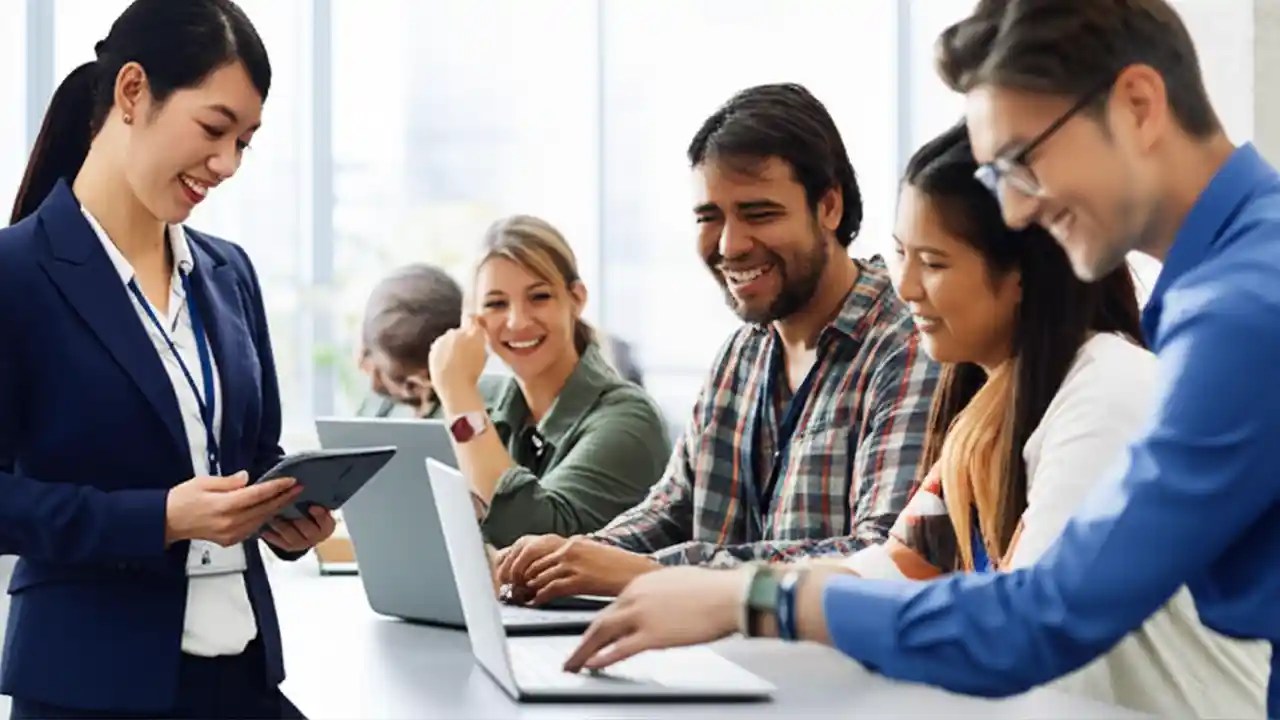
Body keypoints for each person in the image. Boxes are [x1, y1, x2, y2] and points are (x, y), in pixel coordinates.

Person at [561, 1, 1280, 715]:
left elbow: (1041, 620)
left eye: (1023, 163)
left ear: (1137, 105)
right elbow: (900, 567)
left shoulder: (1236, 314)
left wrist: (754, 597)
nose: (1020, 214)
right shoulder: (1216, 294)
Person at [0, 1, 336, 717]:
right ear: (132, 92)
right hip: (90, 690)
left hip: (244, 678)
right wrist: (160, 518)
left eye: (245, 142)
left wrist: (285, 516)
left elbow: (255, 454)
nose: (227, 164)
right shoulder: (15, 276)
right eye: (215, 129)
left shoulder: (228, 272)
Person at [494, 83, 940, 604]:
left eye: (759, 214)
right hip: (725, 658)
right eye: (709, 217)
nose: (729, 245)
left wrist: (649, 574)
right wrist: (567, 559)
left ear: (830, 207)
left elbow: (879, 558)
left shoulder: (907, 346)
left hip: (836, 672)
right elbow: (672, 510)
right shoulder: (742, 354)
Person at [426, 214, 670, 548]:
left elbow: (532, 534)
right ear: (474, 319)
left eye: (539, 297)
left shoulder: (629, 419)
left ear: (576, 299)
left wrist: (458, 396)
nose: (517, 321)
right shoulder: (484, 400)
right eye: (496, 303)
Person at [354, 263, 503, 419]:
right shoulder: (375, 407)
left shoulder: (488, 406)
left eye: (414, 386)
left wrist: (460, 399)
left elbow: (471, 435)